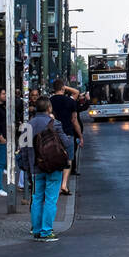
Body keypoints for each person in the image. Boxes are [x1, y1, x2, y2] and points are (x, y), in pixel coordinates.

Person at [20, 96, 66, 240]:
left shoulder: (27, 125)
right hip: (53, 166)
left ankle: (37, 230)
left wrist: (27, 167)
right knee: (51, 199)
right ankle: (47, 231)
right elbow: (66, 143)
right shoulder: (55, 123)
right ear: (49, 108)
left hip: (35, 167)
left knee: (37, 198)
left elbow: (23, 149)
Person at [48, 84, 81, 195]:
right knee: (68, 158)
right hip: (67, 133)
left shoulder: (49, 101)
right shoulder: (70, 101)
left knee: (54, 157)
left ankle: (56, 185)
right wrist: (80, 135)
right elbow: (74, 120)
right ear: (63, 89)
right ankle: (64, 184)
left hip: (53, 133)